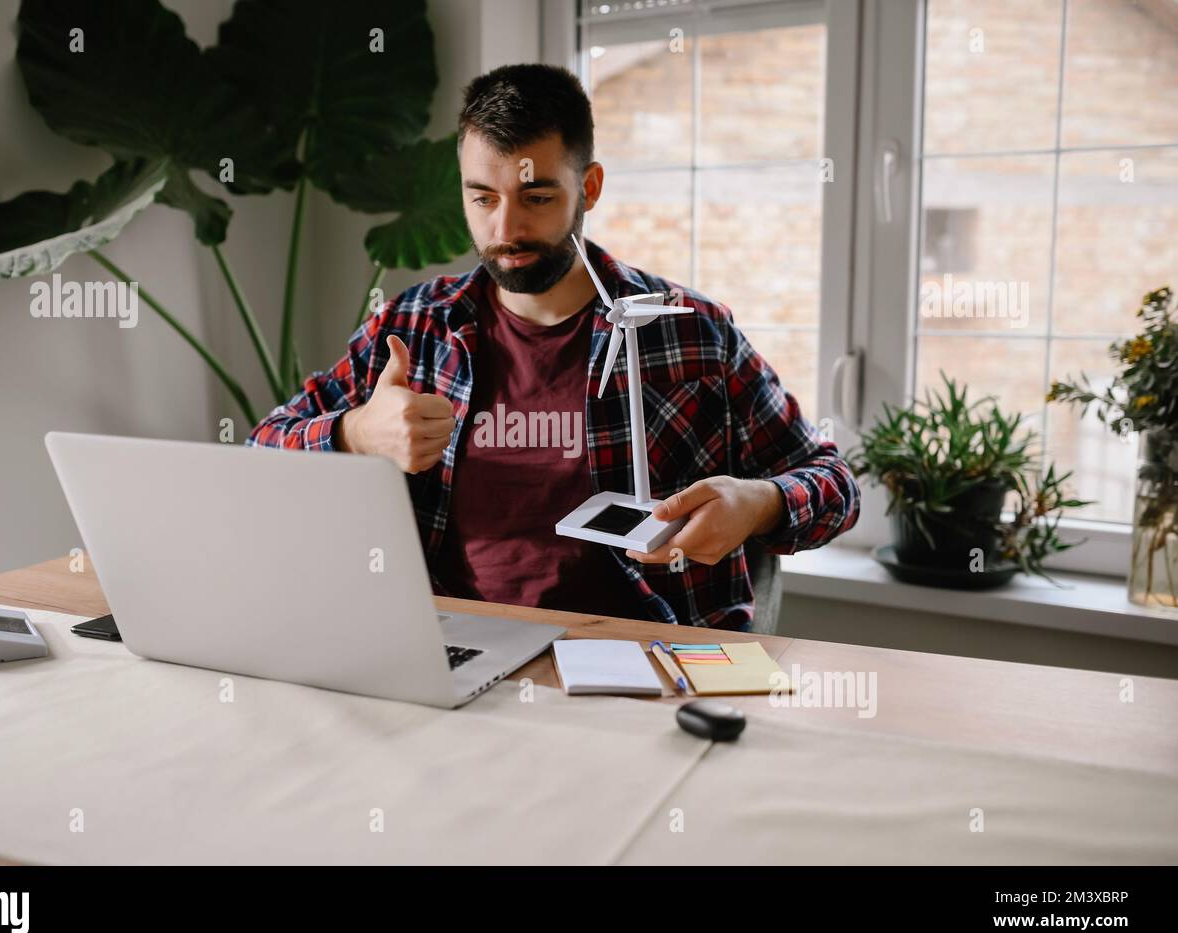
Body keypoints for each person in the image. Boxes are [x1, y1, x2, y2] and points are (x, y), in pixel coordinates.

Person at [248, 63, 860, 630]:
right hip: (454, 648)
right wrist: (356, 433)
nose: (505, 230)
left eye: (537, 198)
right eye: (482, 198)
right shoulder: (413, 328)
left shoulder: (690, 331)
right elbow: (261, 449)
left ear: (588, 188)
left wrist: (757, 503)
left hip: (649, 656)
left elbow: (835, 485)